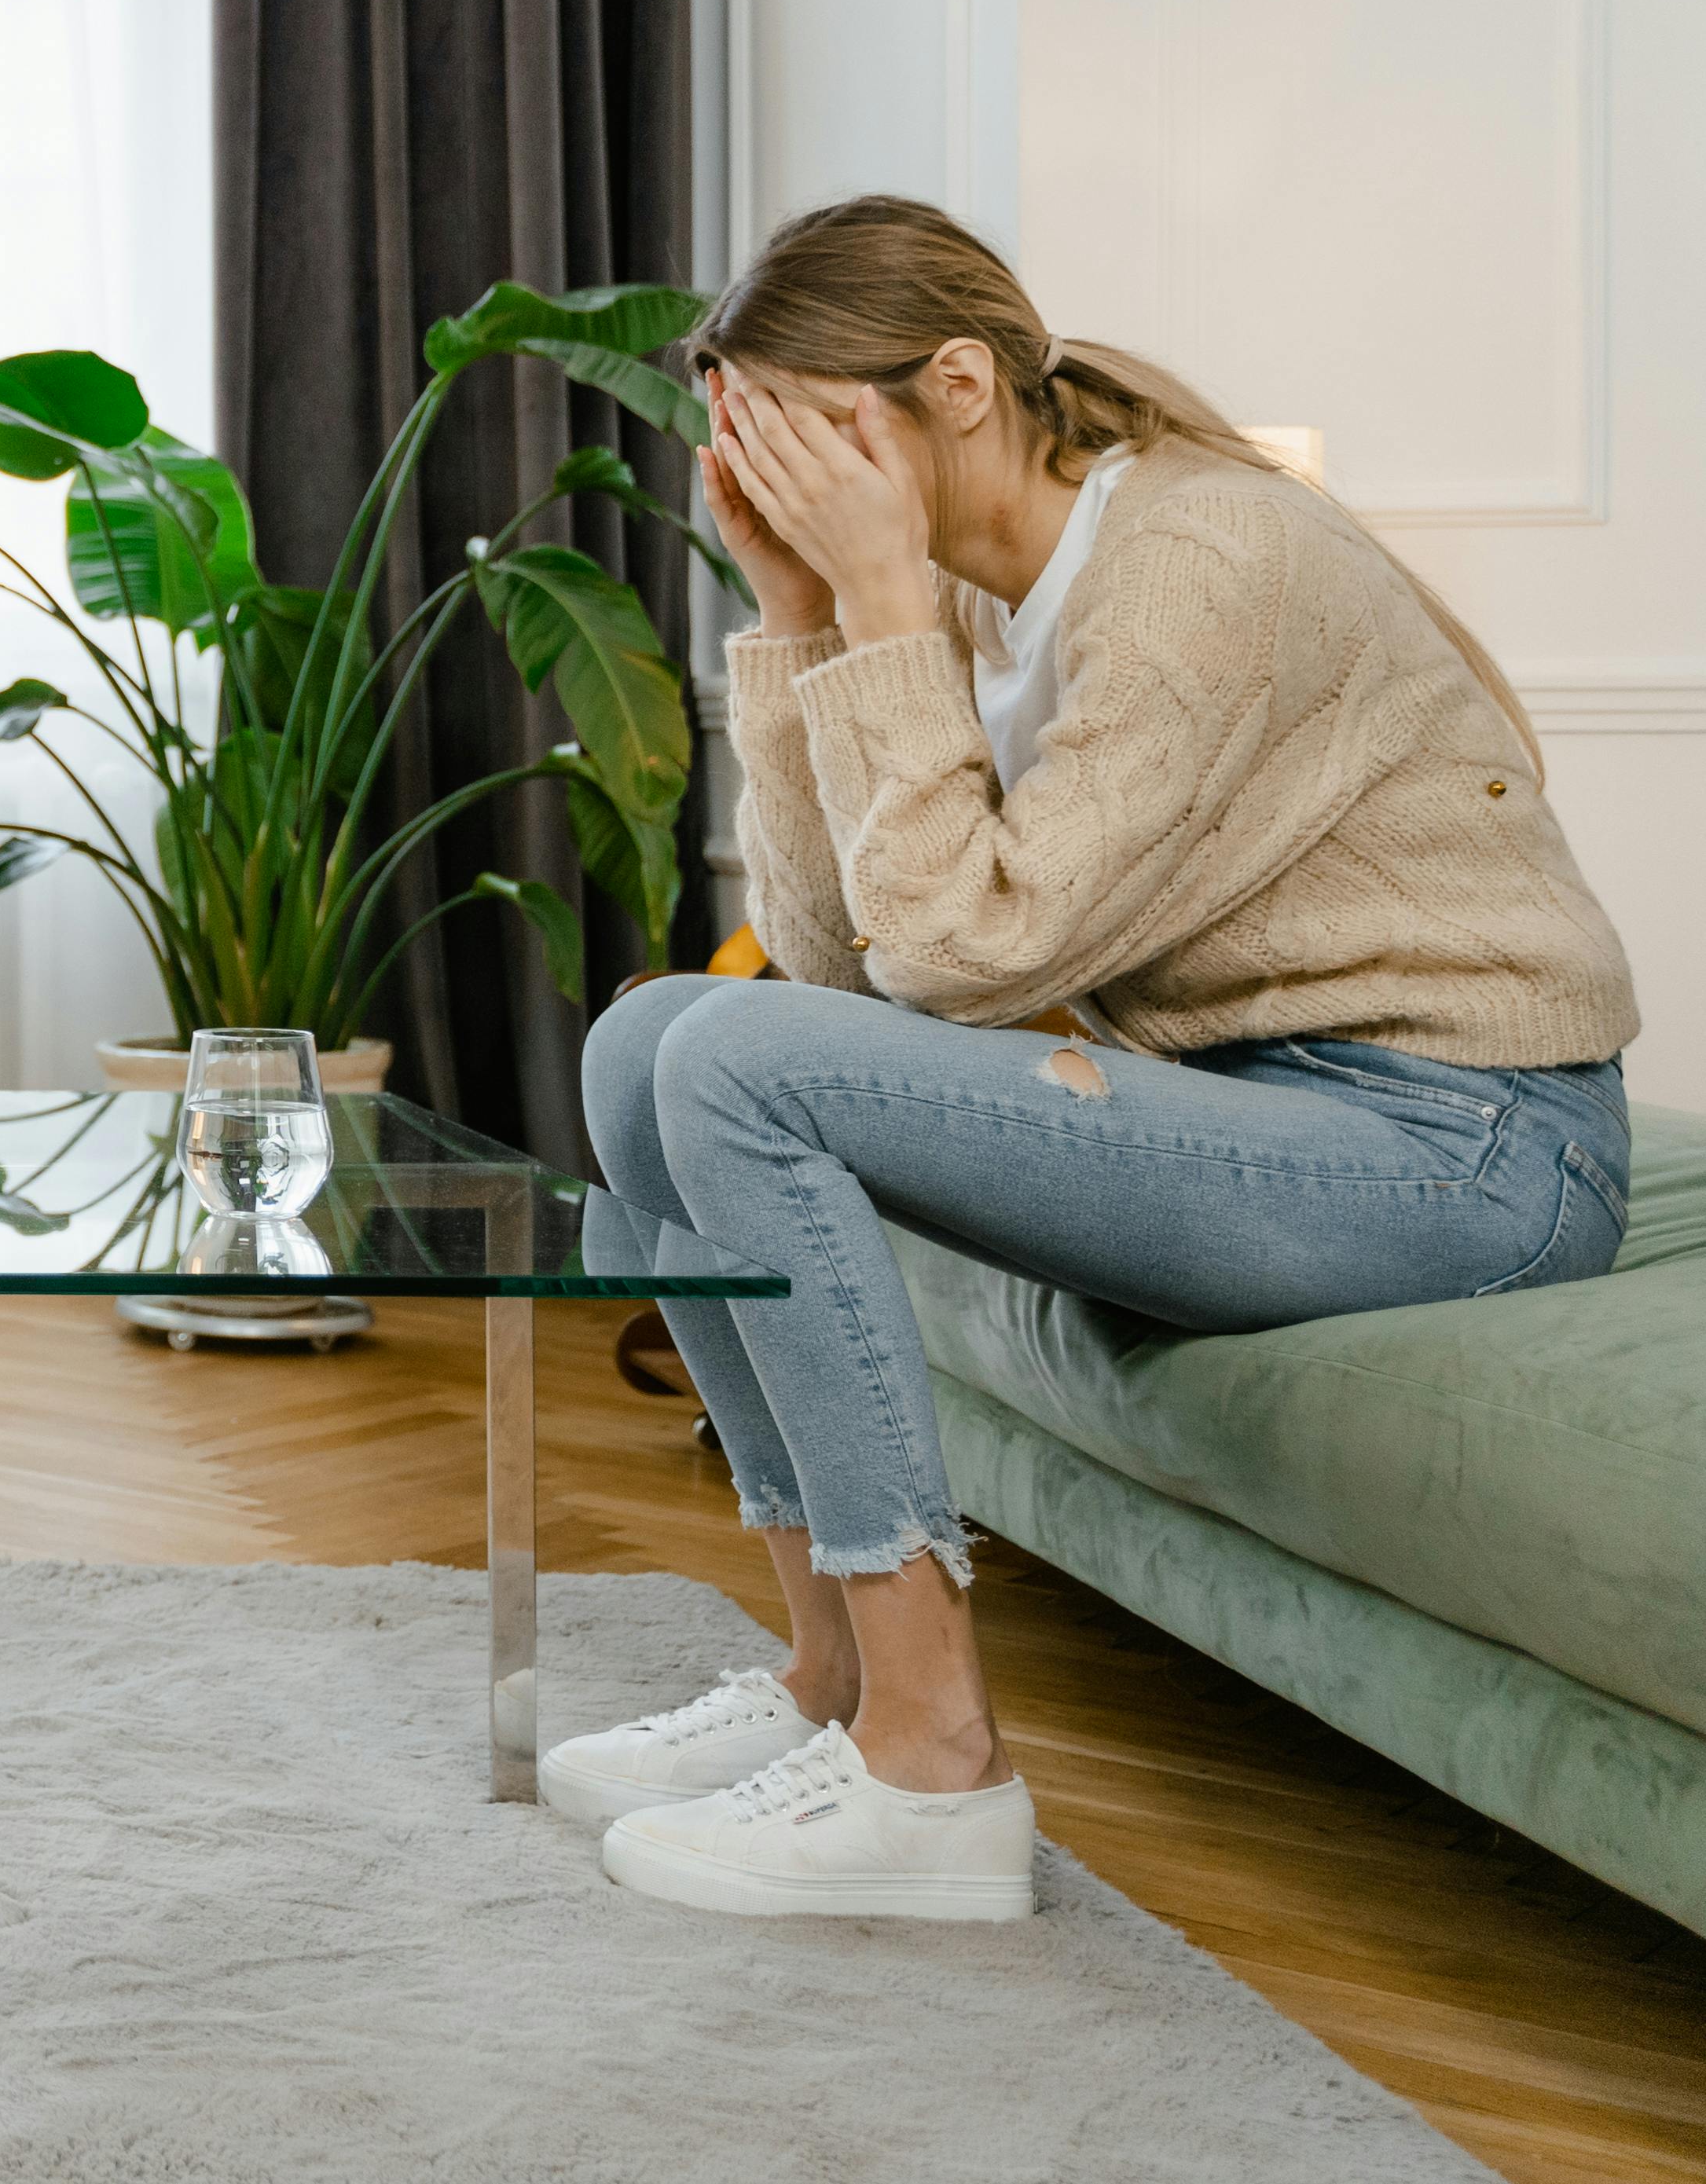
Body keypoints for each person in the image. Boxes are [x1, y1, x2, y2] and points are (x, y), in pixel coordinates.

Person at [552, 199, 1636, 1921]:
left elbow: (960, 958)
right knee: (650, 1041)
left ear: (956, 386)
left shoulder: (1195, 560)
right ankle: (830, 1676)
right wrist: (796, 613)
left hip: (1469, 1147)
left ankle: (932, 1762)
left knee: (731, 1056)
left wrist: (876, 604)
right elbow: (838, 965)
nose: (791, 484)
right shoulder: (962, 587)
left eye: (811, 437)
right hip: (1263, 1107)